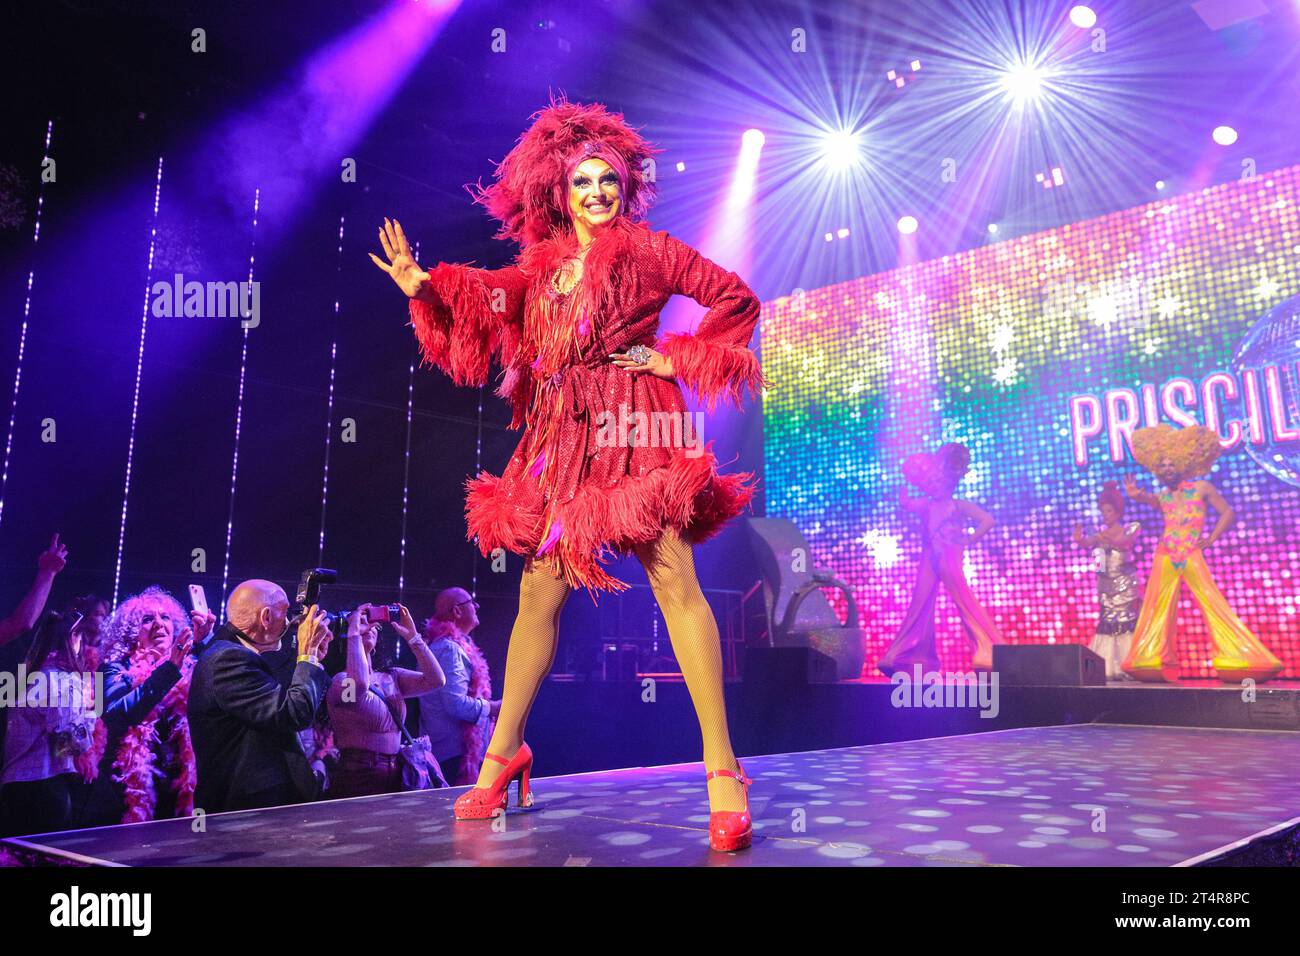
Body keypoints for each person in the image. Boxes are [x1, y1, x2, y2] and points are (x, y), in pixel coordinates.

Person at [370, 98, 766, 850]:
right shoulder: (542, 269)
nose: (596, 193)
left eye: (608, 181)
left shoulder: (652, 252)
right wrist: (426, 286)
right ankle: (503, 751)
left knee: (673, 577)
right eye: (582, 181)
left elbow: (736, 299)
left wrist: (674, 356)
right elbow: (494, 298)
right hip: (562, 438)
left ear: (624, 188)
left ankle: (722, 767)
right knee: (535, 592)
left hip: (636, 423)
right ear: (561, 190)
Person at [1121, 424, 1284, 683]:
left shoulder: (1201, 488)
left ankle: (1240, 657)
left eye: (1170, 464)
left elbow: (1228, 512)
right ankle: (1150, 657)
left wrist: (1212, 537)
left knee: (1211, 601)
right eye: (1161, 466)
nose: (1166, 469)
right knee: (1157, 605)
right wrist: (1136, 495)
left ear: (1182, 463)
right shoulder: (1164, 495)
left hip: (1190, 552)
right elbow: (1149, 499)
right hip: (1165, 554)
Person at [75, 586, 215, 826]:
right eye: (147, 620)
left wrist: (207, 641)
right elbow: (116, 713)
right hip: (128, 797)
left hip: (180, 795)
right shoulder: (112, 670)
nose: (159, 624)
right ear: (131, 632)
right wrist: (169, 668)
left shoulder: (191, 668)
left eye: (165, 617)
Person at [188, 580, 332, 813]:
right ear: (266, 617)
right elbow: (293, 714)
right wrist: (308, 656)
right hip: (247, 808)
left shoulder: (232, 653)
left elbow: (277, 702)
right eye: (285, 615)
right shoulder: (228, 660)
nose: (290, 624)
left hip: (255, 803)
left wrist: (312, 657)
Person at [877, 443, 1004, 676]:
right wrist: (901, 496)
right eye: (930, 483)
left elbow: (987, 520)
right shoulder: (927, 504)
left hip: (948, 554)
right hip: (929, 556)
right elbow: (908, 504)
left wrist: (968, 539)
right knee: (919, 603)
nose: (934, 486)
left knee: (963, 600)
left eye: (939, 482)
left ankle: (991, 651)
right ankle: (908, 657)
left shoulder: (958, 505)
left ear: (950, 481)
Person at [325, 604, 444, 799]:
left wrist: (413, 637)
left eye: (372, 624)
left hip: (396, 772)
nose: (369, 627)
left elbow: (436, 680)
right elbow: (358, 685)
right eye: (361, 622)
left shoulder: (391, 677)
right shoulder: (340, 682)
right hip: (358, 775)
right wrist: (354, 633)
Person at [0, 610, 96, 837]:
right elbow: (69, 744)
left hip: (14, 785)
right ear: (73, 639)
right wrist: (90, 714)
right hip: (46, 787)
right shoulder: (62, 679)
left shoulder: (28, 677)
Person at [417, 588, 499, 786]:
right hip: (454, 757)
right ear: (457, 611)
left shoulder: (451, 646)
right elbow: (455, 704)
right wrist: (494, 707)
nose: (477, 606)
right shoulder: (449, 649)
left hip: (454, 754)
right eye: (472, 602)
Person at [1073, 482, 1142, 680]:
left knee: (1125, 621)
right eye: (1103, 512)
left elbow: (1123, 542)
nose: (1106, 515)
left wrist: (1107, 540)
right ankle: (1106, 667)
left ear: (1118, 512)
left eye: (1109, 511)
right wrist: (1079, 539)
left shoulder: (1130, 528)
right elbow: (1088, 544)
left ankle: (1128, 665)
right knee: (1107, 623)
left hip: (1124, 584)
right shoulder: (1099, 535)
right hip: (1104, 584)